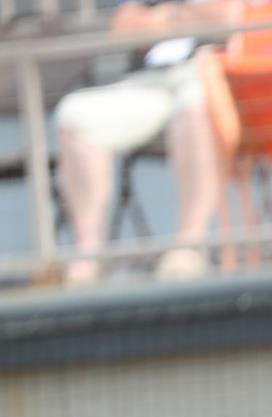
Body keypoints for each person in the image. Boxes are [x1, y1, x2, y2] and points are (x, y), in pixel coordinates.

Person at [54, 0, 237, 283]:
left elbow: (229, 17)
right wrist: (187, 16)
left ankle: (189, 247)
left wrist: (165, 18)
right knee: (73, 114)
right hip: (147, 83)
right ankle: (89, 255)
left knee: (196, 106)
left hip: (207, 75)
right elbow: (124, 27)